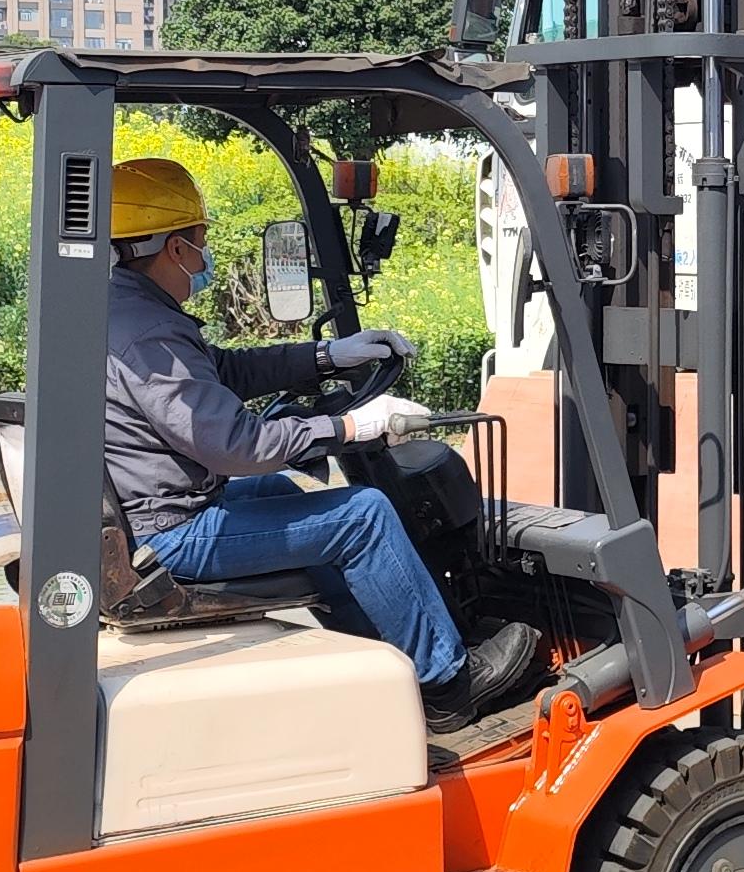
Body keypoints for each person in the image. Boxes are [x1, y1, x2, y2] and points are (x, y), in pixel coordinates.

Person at [100, 156, 540, 730]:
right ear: (175, 247)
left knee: (280, 490)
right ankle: (447, 683)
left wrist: (327, 356)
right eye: (201, 245)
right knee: (363, 515)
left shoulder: (125, 310)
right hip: (171, 532)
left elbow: (222, 371)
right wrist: (351, 427)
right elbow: (237, 446)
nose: (204, 261)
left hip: (152, 513)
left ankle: (378, 661)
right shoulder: (151, 334)